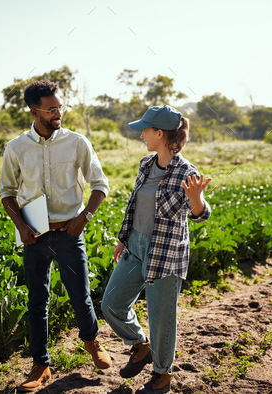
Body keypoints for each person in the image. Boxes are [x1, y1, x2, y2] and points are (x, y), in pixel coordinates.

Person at [0, 80, 112, 392]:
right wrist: (21, 228)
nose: (58, 112)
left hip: (68, 233)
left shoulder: (77, 142)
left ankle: (92, 343)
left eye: (60, 107)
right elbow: (7, 193)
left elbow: (100, 185)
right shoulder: (16, 147)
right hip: (34, 237)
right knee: (37, 301)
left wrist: (84, 217)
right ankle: (41, 364)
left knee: (80, 295)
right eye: (52, 109)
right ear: (35, 112)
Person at [101, 105, 212, 394]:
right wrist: (124, 238)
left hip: (165, 253)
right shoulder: (146, 164)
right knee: (111, 304)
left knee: (161, 319)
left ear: (160, 133)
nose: (141, 136)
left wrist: (197, 200)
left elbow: (199, 213)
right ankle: (140, 345)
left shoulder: (187, 172)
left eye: (145, 130)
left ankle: (162, 375)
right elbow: (135, 205)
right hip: (135, 245)